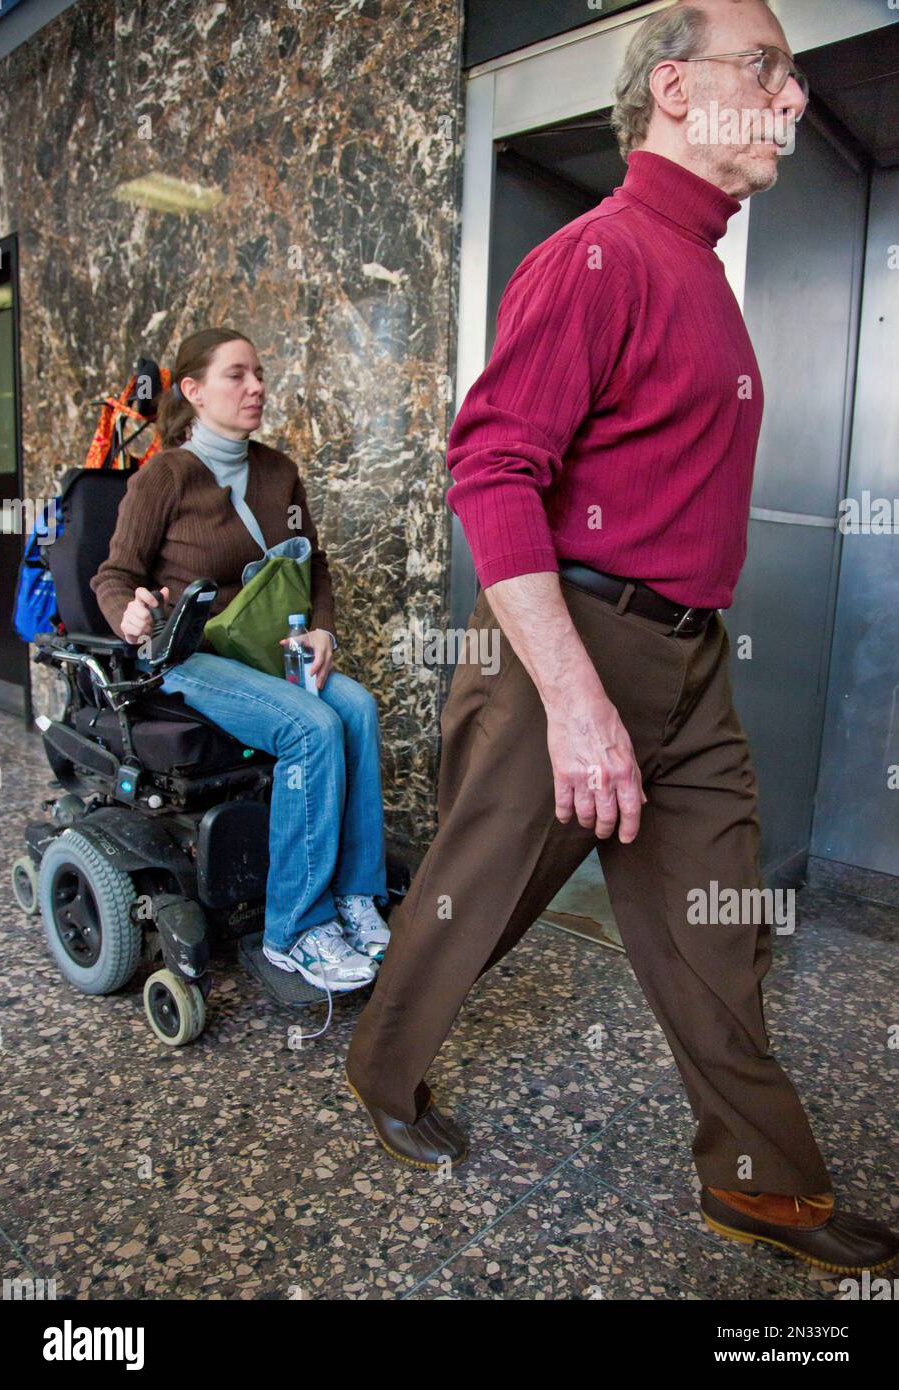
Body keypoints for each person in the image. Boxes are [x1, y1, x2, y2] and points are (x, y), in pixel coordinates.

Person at [345, 0, 899, 1273]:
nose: (793, 98)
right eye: (763, 67)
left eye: (796, 73)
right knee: (475, 897)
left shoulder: (697, 266)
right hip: (569, 649)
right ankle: (382, 1068)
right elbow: (491, 471)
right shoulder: (598, 255)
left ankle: (762, 1183)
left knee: (722, 925)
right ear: (673, 89)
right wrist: (581, 701)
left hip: (689, 658)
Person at [91, 326, 391, 1008]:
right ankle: (296, 930)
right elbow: (114, 575)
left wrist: (323, 631)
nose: (256, 386)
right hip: (189, 656)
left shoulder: (279, 471)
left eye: (259, 373)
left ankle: (355, 897)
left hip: (266, 652)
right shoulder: (162, 477)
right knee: (313, 726)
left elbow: (311, 563)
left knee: (358, 708)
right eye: (237, 375)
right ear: (193, 391)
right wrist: (129, 616)